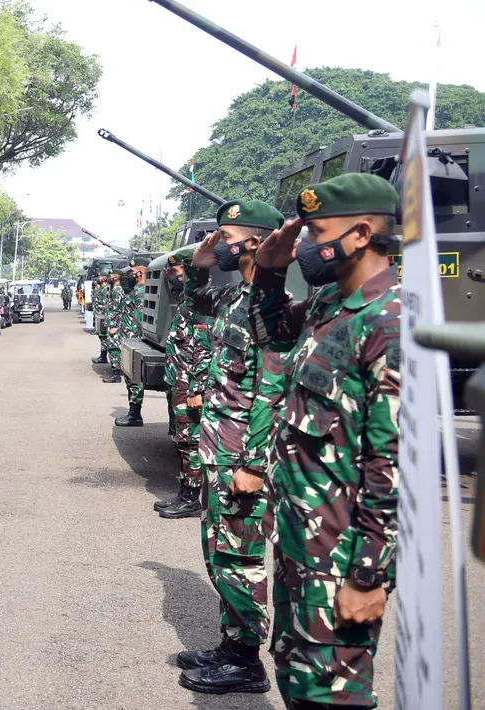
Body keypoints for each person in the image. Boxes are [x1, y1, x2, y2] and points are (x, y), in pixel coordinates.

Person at [249, 173, 401, 710]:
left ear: (360, 233)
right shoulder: (328, 307)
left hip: (342, 561)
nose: (308, 245)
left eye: (316, 232)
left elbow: (394, 464)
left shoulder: (393, 323)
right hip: (299, 545)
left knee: (332, 697)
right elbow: (268, 332)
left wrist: (369, 574)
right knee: (296, 678)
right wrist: (268, 271)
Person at [176, 199, 285, 696]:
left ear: (256, 242)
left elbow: (271, 385)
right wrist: (198, 273)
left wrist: (255, 464)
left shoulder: (266, 306)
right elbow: (193, 311)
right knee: (218, 551)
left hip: (242, 452)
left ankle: (246, 661)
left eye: (227, 237)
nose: (218, 244)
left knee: (241, 556)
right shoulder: (232, 298)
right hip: (217, 449)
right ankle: (231, 642)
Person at [155, 248, 206, 520]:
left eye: (177, 273)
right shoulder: (187, 303)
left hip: (190, 386)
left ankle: (191, 498)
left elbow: (203, 349)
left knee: (191, 442)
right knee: (183, 441)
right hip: (179, 382)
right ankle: (185, 491)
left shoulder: (201, 305)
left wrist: (196, 388)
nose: (174, 278)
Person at [114, 256, 150, 425]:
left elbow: (140, 320)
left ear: (141, 273)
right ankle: (133, 412)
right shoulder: (136, 290)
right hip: (129, 338)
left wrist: (134, 340)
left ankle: (135, 414)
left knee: (134, 379)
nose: (129, 274)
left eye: (133, 271)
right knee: (130, 377)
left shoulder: (143, 292)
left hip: (135, 339)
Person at [101, 271, 125, 383]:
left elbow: (117, 310)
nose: (109, 278)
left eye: (111, 276)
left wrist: (114, 326)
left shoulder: (117, 290)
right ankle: (115, 372)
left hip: (114, 325)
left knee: (114, 349)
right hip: (111, 324)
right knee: (112, 348)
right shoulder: (114, 289)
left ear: (117, 277)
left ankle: (116, 375)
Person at [91, 276, 110, 362]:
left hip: (103, 316)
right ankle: (102, 356)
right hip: (99, 315)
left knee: (104, 337)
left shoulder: (106, 289)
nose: (98, 278)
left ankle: (103, 357)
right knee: (101, 337)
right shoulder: (101, 288)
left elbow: (106, 304)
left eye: (100, 276)